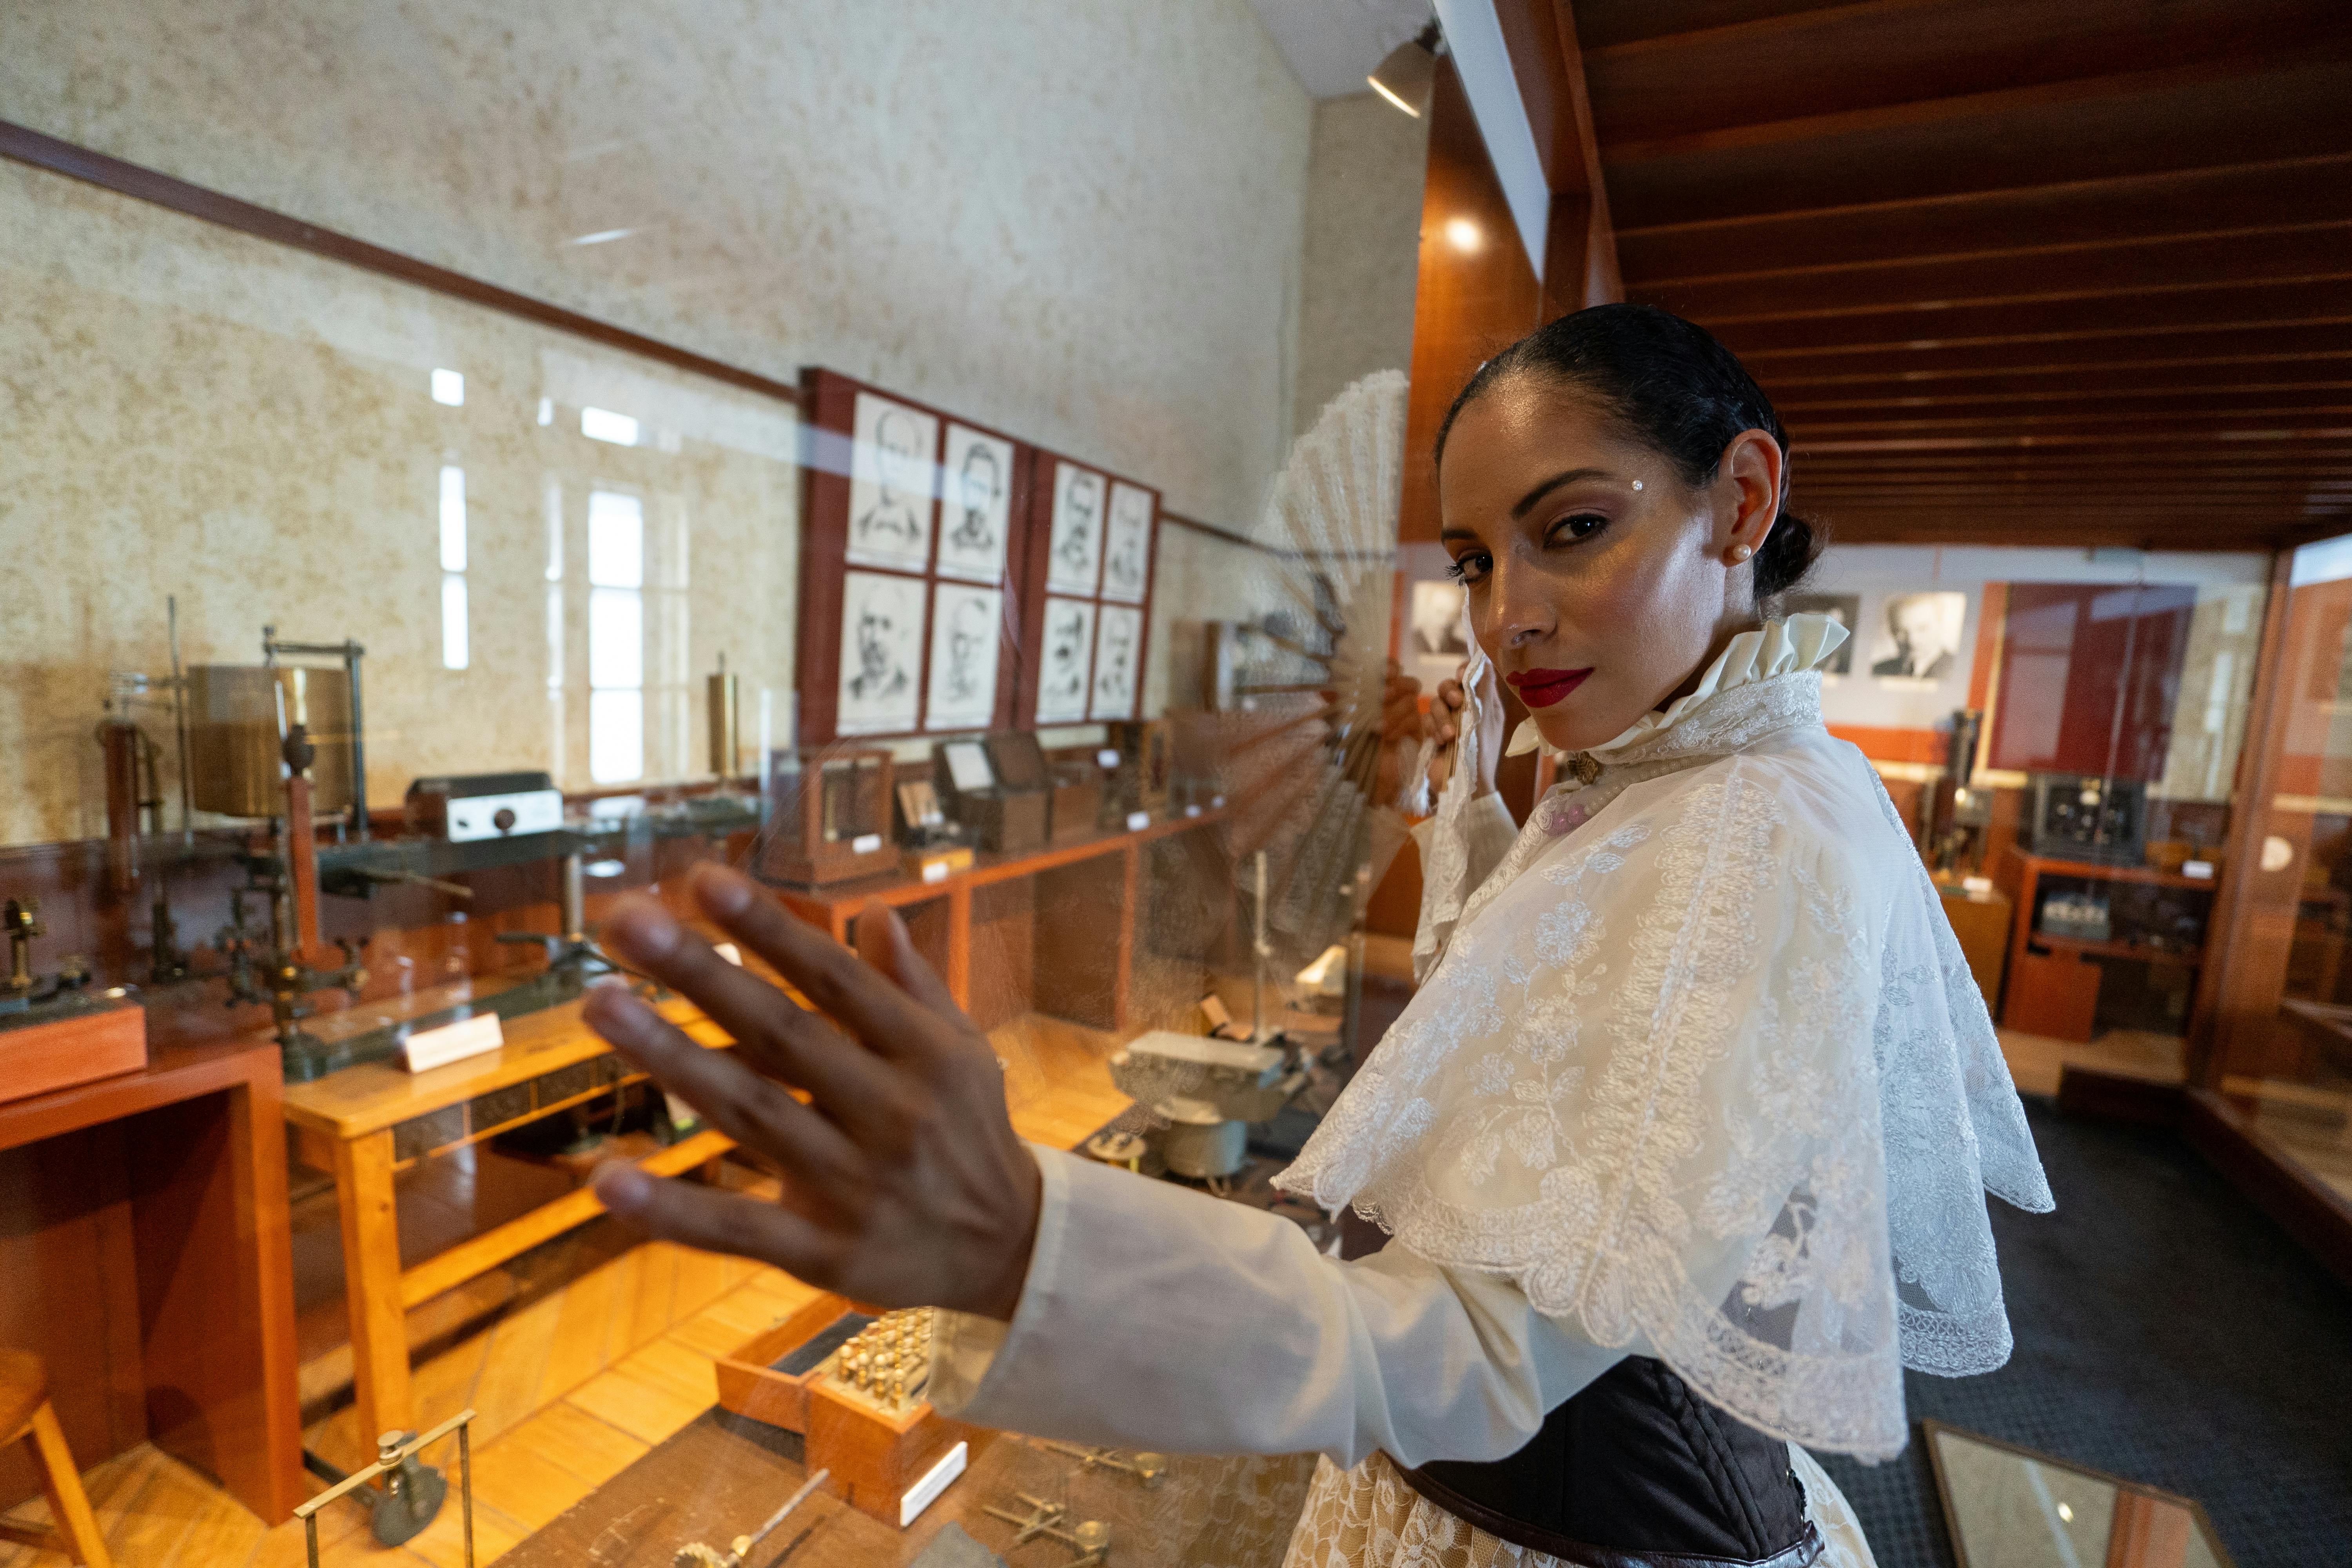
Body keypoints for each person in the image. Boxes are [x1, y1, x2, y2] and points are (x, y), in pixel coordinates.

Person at [578, 304, 2052, 1568]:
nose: (1507, 616)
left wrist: (1036, 1241)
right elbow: (1544, 1068)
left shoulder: (1742, 831)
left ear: (1738, 500)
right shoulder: (1680, 777)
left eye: (1574, 528)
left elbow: (1488, 1351)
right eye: (1475, 560)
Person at [1870, 592, 1957, 679]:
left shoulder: (1957, 670)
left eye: (1922, 629)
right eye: (1902, 631)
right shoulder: (1878, 670)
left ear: (1940, 625)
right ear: (1892, 632)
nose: (1912, 640)